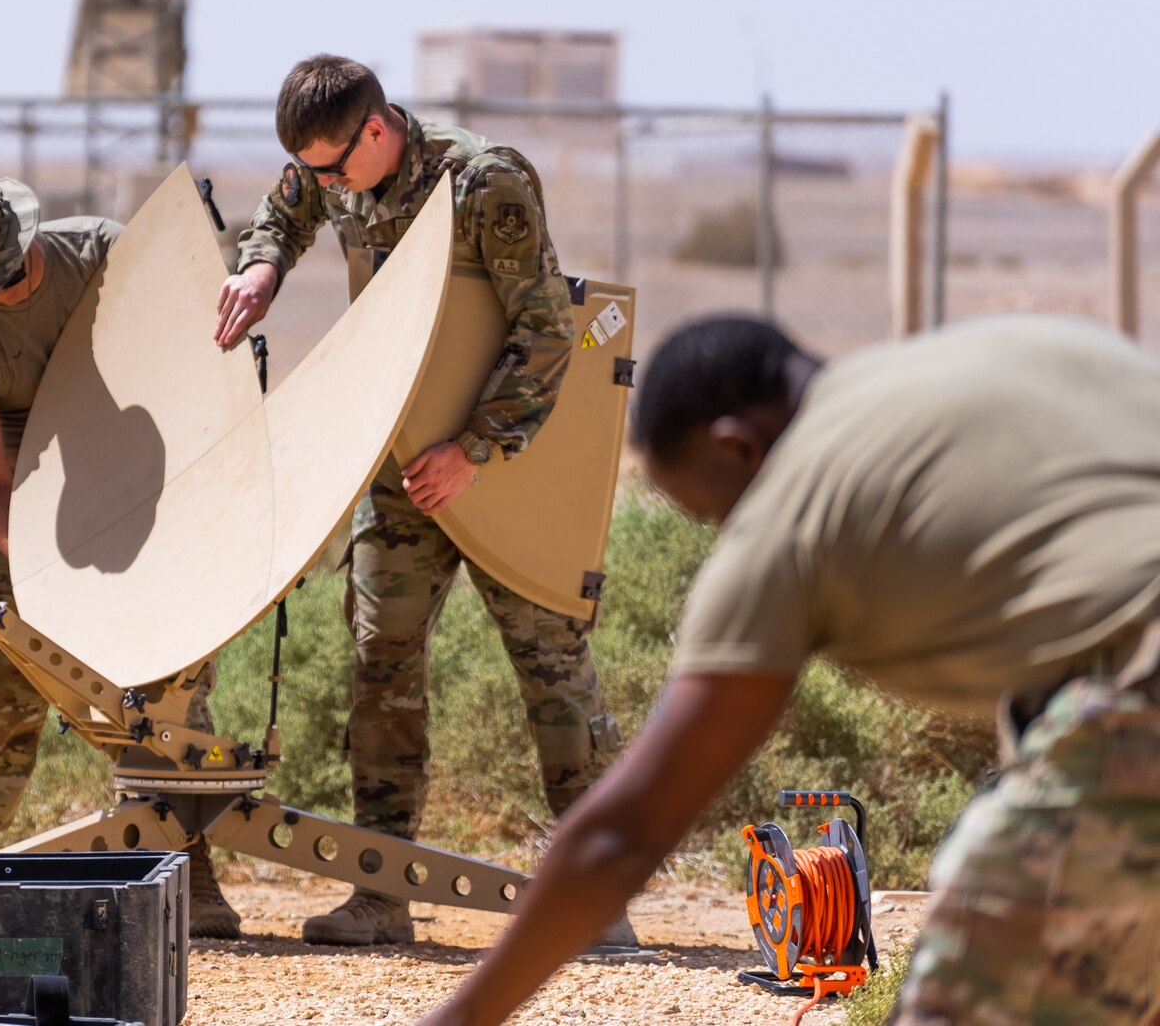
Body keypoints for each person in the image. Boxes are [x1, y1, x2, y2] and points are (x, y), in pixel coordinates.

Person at [415, 312, 1160, 1025]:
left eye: (713, 515)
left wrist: (462, 1017)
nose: (726, 536)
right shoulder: (1031, 347)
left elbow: (626, 833)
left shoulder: (788, 514)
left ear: (737, 447)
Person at [215, 55, 630, 947]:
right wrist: (261, 269)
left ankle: (599, 897)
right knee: (380, 662)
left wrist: (475, 450)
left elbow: (548, 331)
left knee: (550, 665)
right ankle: (381, 894)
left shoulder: (485, 183)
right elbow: (287, 208)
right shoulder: (330, 167)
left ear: (376, 131)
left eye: (334, 168)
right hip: (402, 458)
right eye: (314, 171)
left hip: (501, 456)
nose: (325, 187)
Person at [0, 166, 242, 938]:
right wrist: (46, 578)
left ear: (27, 239)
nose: (0, 295)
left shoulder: (103, 256)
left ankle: (184, 865)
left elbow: (188, 367)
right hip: (25, 494)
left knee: (171, 670)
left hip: (137, 465)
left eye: (7, 274)